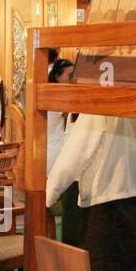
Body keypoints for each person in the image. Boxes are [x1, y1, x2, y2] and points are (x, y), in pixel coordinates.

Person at [46, 111, 136, 271]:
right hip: (132, 196)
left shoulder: (100, 102)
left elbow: (76, 153)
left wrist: (48, 194)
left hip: (104, 201)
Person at [45, 58, 83, 248]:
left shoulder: (51, 92)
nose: (73, 79)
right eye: (69, 75)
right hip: (57, 152)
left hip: (53, 149)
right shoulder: (58, 96)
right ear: (58, 76)